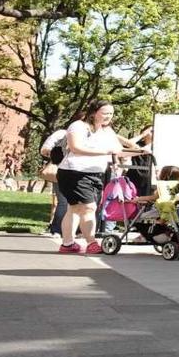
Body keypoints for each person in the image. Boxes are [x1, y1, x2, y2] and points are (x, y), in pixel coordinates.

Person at [54, 103, 125, 254]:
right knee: (89, 208)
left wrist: (142, 152)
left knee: (74, 209)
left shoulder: (107, 131)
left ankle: (67, 244)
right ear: (93, 112)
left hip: (95, 174)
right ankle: (91, 243)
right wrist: (104, 152)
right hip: (74, 172)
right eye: (105, 113)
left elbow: (118, 151)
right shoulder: (79, 126)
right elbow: (75, 147)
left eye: (111, 113)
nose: (108, 116)